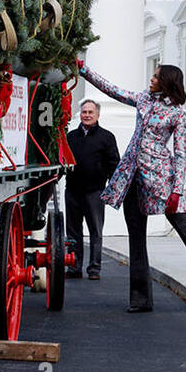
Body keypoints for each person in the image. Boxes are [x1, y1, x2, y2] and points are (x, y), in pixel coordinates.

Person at [79, 60, 186, 311]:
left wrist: (177, 189)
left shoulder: (177, 113)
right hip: (132, 178)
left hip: (161, 179)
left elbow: (181, 153)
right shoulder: (143, 100)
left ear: (166, 82)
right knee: (137, 238)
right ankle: (140, 300)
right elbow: (114, 90)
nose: (150, 80)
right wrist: (84, 70)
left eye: (155, 77)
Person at [64, 99, 119, 281]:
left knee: (95, 231)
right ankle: (74, 267)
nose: (87, 115)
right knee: (72, 231)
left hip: (95, 192)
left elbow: (114, 165)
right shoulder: (70, 137)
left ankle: (94, 269)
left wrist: (114, 190)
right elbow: (62, 161)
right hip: (72, 190)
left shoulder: (107, 137)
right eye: (84, 112)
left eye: (90, 112)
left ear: (97, 115)